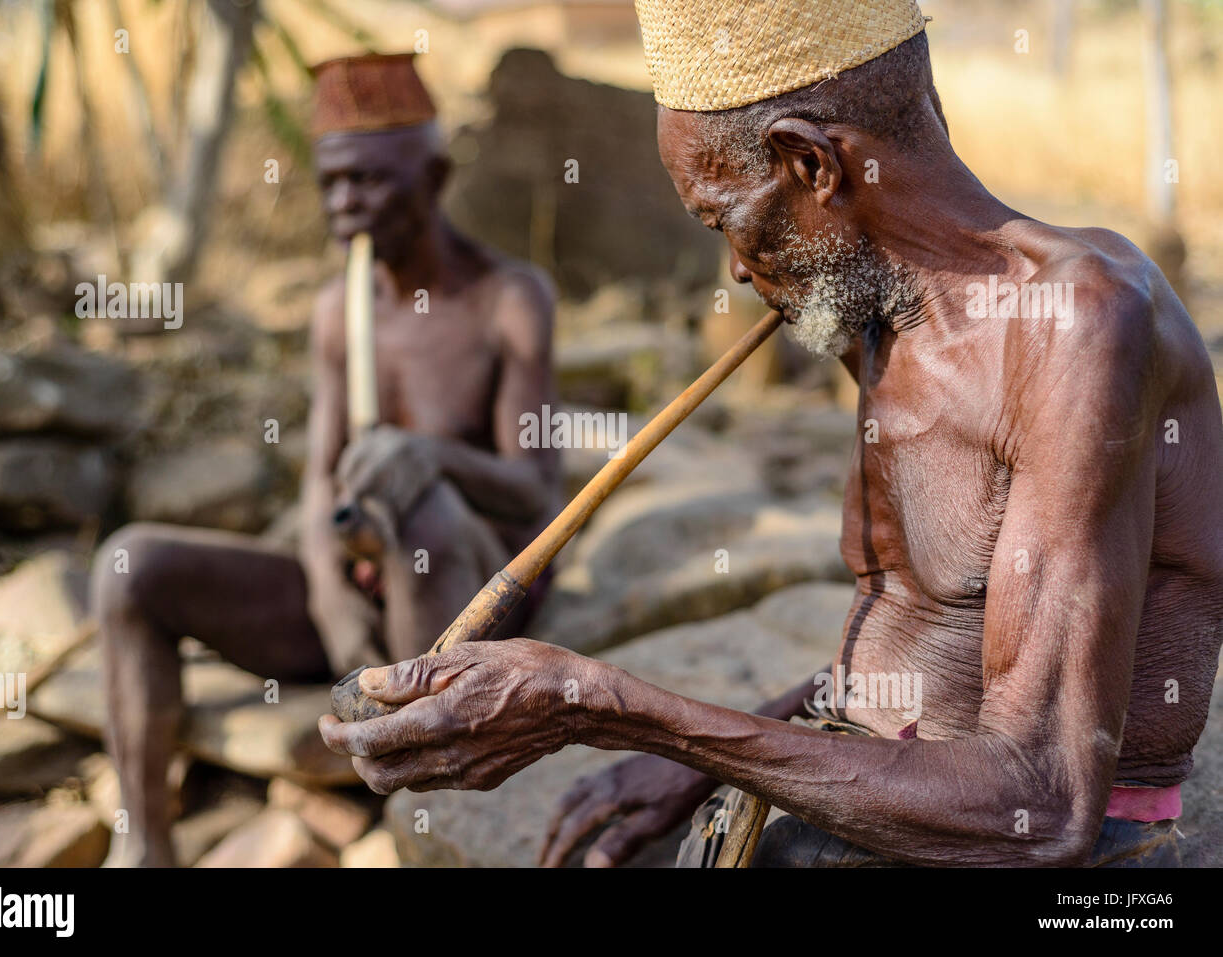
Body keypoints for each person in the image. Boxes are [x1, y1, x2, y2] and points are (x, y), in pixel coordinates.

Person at [318, 4, 1223, 867]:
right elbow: (905, 653)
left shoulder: (1076, 324)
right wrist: (696, 757)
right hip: (880, 805)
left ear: (812, 167)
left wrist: (600, 703)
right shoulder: (875, 320)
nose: (736, 270)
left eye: (725, 218)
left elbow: (1043, 804)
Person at [94, 52, 560, 867]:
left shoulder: (508, 299)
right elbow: (319, 482)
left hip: (466, 599)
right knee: (127, 565)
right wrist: (325, 586)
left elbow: (534, 493)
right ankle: (145, 847)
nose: (342, 205)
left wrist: (429, 458)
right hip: (350, 602)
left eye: (369, 183)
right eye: (330, 182)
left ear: (436, 176)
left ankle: (426, 829)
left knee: (425, 507)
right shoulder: (335, 312)